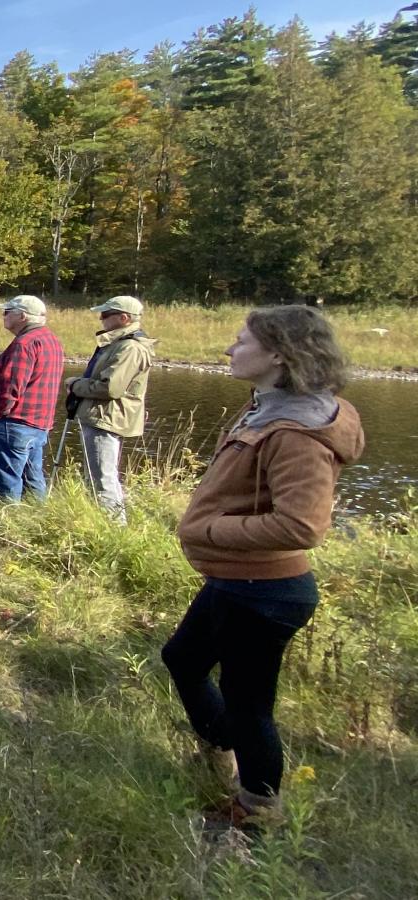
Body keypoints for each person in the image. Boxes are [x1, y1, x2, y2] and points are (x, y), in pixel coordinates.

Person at [164, 305, 363, 832]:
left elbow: (303, 526)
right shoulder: (270, 407)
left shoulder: (297, 430)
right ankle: (220, 747)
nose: (230, 349)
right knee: (182, 657)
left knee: (249, 705)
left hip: (265, 591)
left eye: (240, 340)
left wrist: (207, 530)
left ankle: (257, 810)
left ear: (278, 353)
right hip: (239, 582)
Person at [64, 295, 156, 523]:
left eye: (106, 315)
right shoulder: (119, 344)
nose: (101, 318)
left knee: (102, 480)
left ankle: (113, 528)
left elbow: (111, 388)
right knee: (98, 477)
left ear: (123, 318)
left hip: (106, 418)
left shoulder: (130, 347)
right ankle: (103, 523)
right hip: (102, 416)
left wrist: (75, 384)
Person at [0, 295, 64, 502]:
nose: (3, 316)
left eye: (7, 312)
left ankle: (3, 530)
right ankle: (37, 527)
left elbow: (11, 387)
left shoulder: (24, 343)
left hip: (13, 424)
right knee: (33, 482)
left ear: (22, 316)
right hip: (39, 424)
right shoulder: (50, 339)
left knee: (5, 487)